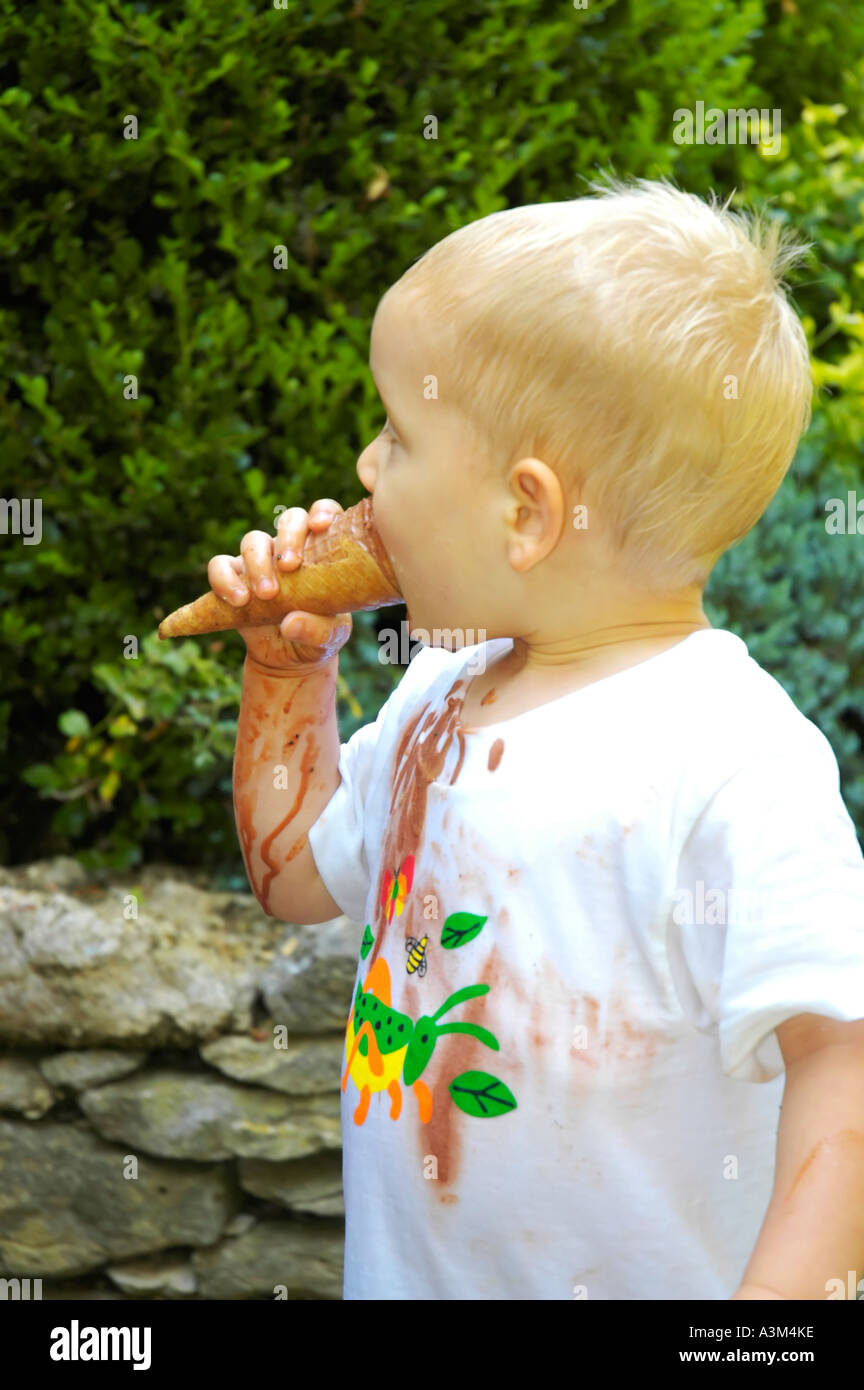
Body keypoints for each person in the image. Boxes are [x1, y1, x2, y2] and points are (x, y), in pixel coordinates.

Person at [211, 176, 864, 1301]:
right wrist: (283, 666)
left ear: (527, 512)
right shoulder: (437, 693)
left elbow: (844, 1061)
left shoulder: (731, 761)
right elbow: (294, 875)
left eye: (399, 435)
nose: (365, 469)